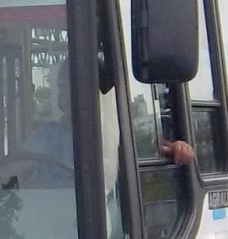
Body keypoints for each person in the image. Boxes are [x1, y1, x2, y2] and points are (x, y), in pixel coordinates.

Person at [22, 60, 195, 168]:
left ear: (99, 94)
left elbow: (159, 148)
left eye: (76, 87)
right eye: (63, 86)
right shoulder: (49, 134)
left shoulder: (122, 131)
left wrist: (180, 149)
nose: (68, 94)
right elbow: (18, 164)